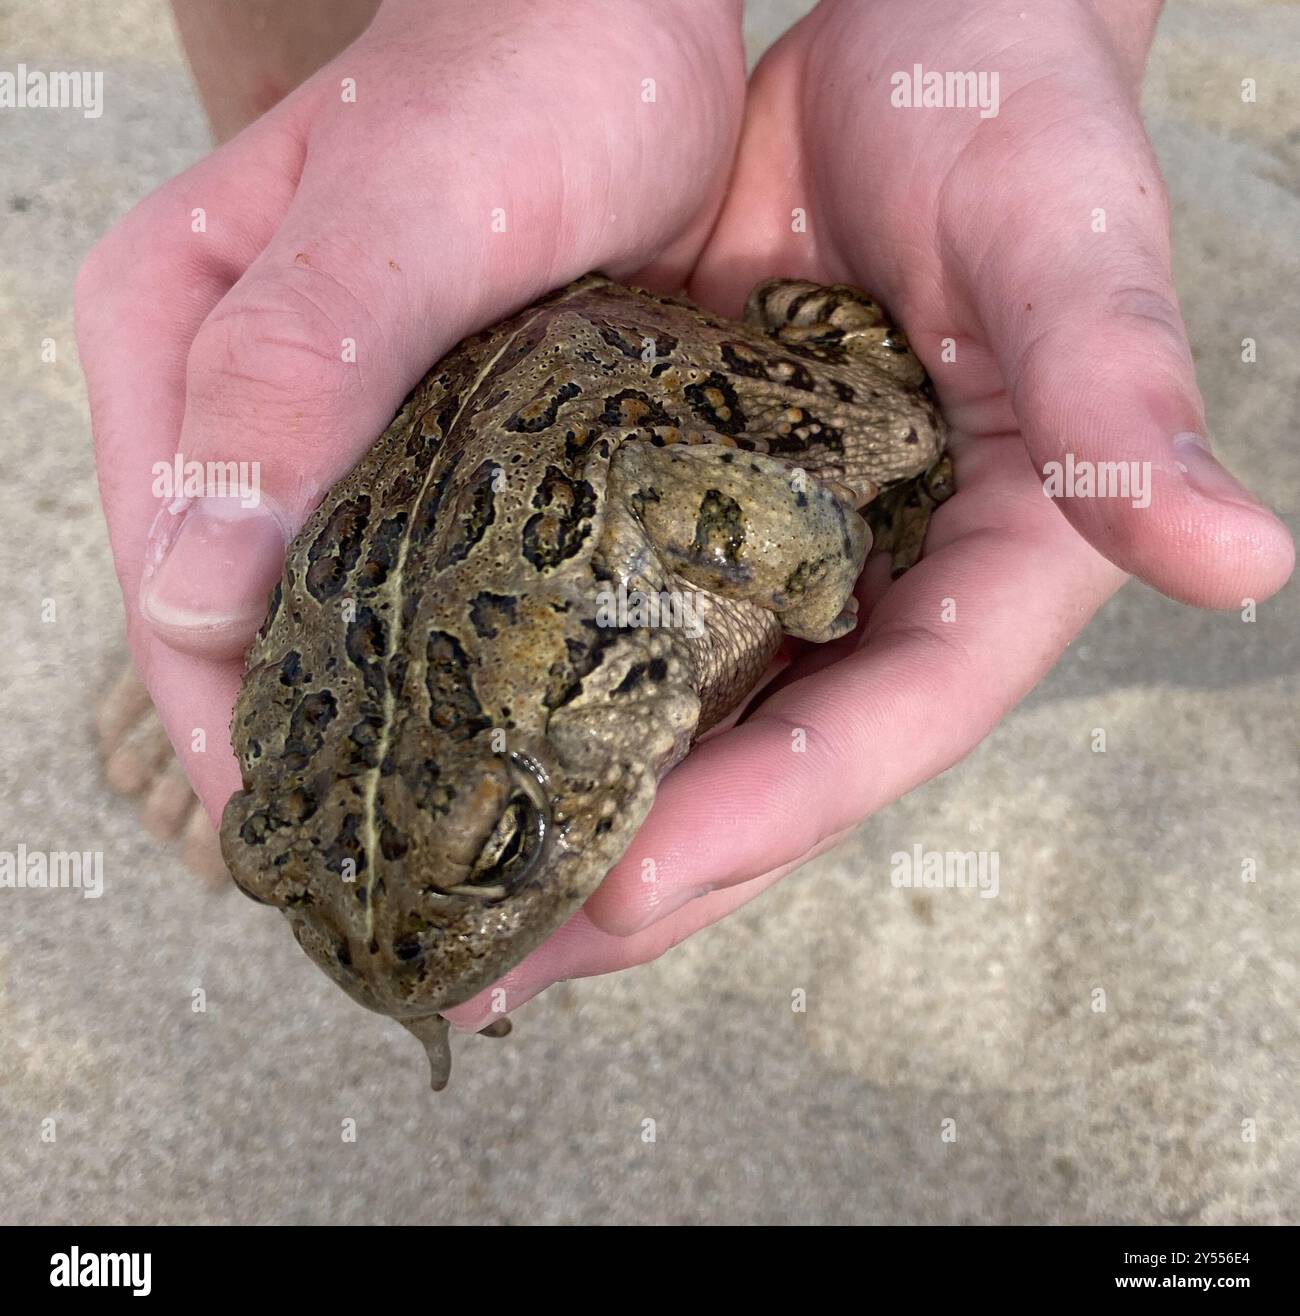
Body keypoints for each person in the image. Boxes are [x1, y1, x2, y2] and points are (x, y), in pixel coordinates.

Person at [80, 0, 1293, 1032]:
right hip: (492, 409)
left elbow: (799, 531)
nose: (369, 961)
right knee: (342, 217)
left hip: (651, 385)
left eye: (504, 840)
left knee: (900, 429)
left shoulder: (600, 630)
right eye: (275, 864)